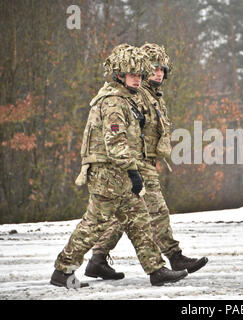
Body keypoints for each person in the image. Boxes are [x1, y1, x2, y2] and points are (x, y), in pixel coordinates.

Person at [50, 44, 188, 288]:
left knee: (139, 221)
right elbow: (115, 144)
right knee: (94, 225)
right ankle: (63, 270)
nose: (137, 80)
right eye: (132, 75)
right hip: (108, 174)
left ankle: (157, 270)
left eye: (140, 75)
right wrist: (134, 171)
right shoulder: (114, 101)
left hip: (119, 174)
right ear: (119, 75)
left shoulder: (127, 98)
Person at [83, 43, 208, 281]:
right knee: (157, 210)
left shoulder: (152, 96)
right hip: (135, 162)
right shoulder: (135, 95)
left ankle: (97, 260)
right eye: (153, 68)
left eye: (162, 69)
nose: (158, 73)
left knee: (125, 216)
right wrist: (129, 164)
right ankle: (174, 256)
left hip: (144, 161)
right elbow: (124, 131)